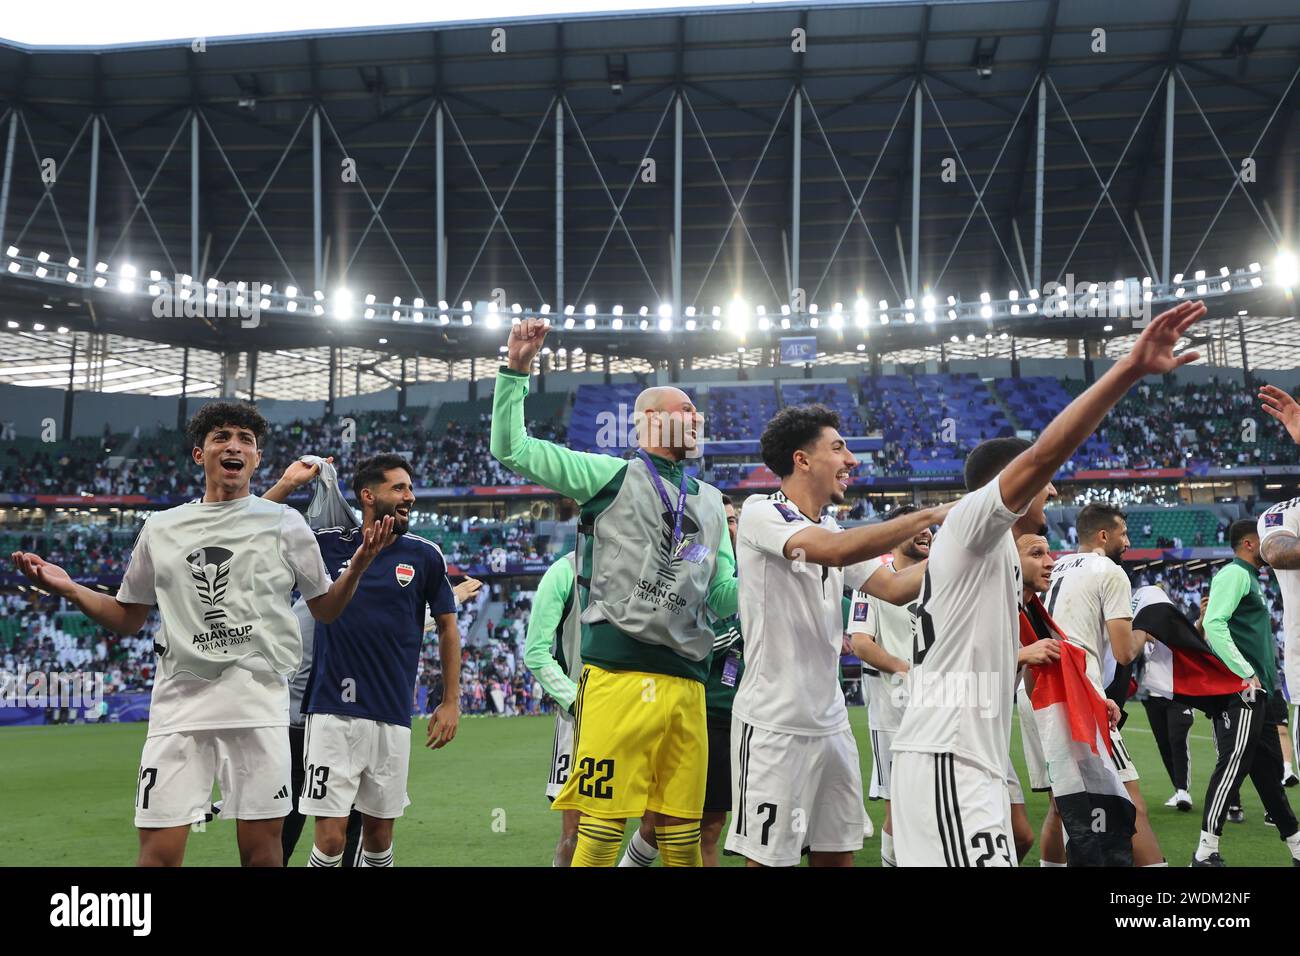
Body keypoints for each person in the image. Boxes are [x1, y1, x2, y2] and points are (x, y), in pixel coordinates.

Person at [888, 299, 1207, 867]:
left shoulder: (995, 558)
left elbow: (1007, 643)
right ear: (1006, 489)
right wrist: (1127, 371)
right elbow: (1045, 452)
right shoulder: (971, 524)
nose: (1053, 492)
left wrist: (1089, 694)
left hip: (968, 754)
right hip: (946, 753)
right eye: (1045, 484)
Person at [11, 402, 389, 867]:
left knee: (263, 854)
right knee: (158, 855)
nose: (234, 445)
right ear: (199, 453)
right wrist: (70, 588)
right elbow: (129, 616)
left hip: (257, 705)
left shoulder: (286, 524)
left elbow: (326, 609)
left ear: (255, 459)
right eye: (222, 437)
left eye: (246, 441)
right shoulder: (161, 527)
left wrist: (358, 566)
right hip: (179, 707)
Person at [491, 317, 737, 867]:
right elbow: (513, 450)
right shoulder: (607, 476)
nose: (696, 418)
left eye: (696, 412)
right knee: (599, 834)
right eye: (684, 410)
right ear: (649, 420)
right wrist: (517, 371)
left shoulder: (712, 503)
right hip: (618, 676)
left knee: (681, 835)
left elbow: (718, 594)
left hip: (688, 685)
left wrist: (768, 587)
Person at [725, 404, 951, 867]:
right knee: (769, 860)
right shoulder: (760, 513)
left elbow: (894, 586)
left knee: (838, 857)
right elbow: (831, 552)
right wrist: (935, 514)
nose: (852, 460)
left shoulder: (830, 525)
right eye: (839, 447)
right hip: (773, 726)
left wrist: (968, 549)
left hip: (831, 726)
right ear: (801, 460)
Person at [266, 453, 462, 868]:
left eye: (410, 487)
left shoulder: (424, 555)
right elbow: (250, 532)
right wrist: (286, 485)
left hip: (392, 714)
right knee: (331, 837)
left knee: (378, 836)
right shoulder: (329, 544)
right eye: (399, 488)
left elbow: (447, 625)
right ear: (368, 495)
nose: (409, 496)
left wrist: (451, 700)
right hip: (331, 712)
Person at [620, 494, 746, 867]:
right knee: (663, 820)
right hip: (690, 709)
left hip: (733, 717)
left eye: (734, 519)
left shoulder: (752, 574)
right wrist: (741, 633)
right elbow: (680, 636)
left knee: (711, 825)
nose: (730, 527)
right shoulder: (689, 570)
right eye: (722, 521)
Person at [1042, 503, 1165, 865]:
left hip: (1038, 691)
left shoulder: (1054, 565)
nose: (1127, 542)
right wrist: (1146, 626)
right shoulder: (1109, 571)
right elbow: (1125, 652)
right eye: (1123, 534)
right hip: (1077, 692)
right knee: (1131, 802)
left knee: (1061, 804)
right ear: (1103, 536)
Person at [1193, 519, 1300, 866]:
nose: (1270, 545)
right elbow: (1214, 623)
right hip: (1243, 692)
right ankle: (1205, 852)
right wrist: (1245, 673)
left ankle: (1298, 848)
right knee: (1233, 765)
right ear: (1249, 544)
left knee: (1269, 777)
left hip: (1261, 693)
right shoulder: (1235, 573)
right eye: (1264, 539)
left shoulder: (1250, 578)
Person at [845, 503, 930, 866]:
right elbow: (862, 643)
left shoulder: (939, 580)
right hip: (893, 711)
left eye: (930, 528)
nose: (927, 532)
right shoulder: (872, 583)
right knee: (900, 801)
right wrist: (907, 670)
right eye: (917, 527)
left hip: (937, 706)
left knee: (934, 798)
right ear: (896, 535)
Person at [520, 550, 581, 866]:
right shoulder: (564, 571)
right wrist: (576, 700)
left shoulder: (643, 562)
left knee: (656, 823)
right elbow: (536, 653)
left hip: (634, 710)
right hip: (579, 720)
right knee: (576, 829)